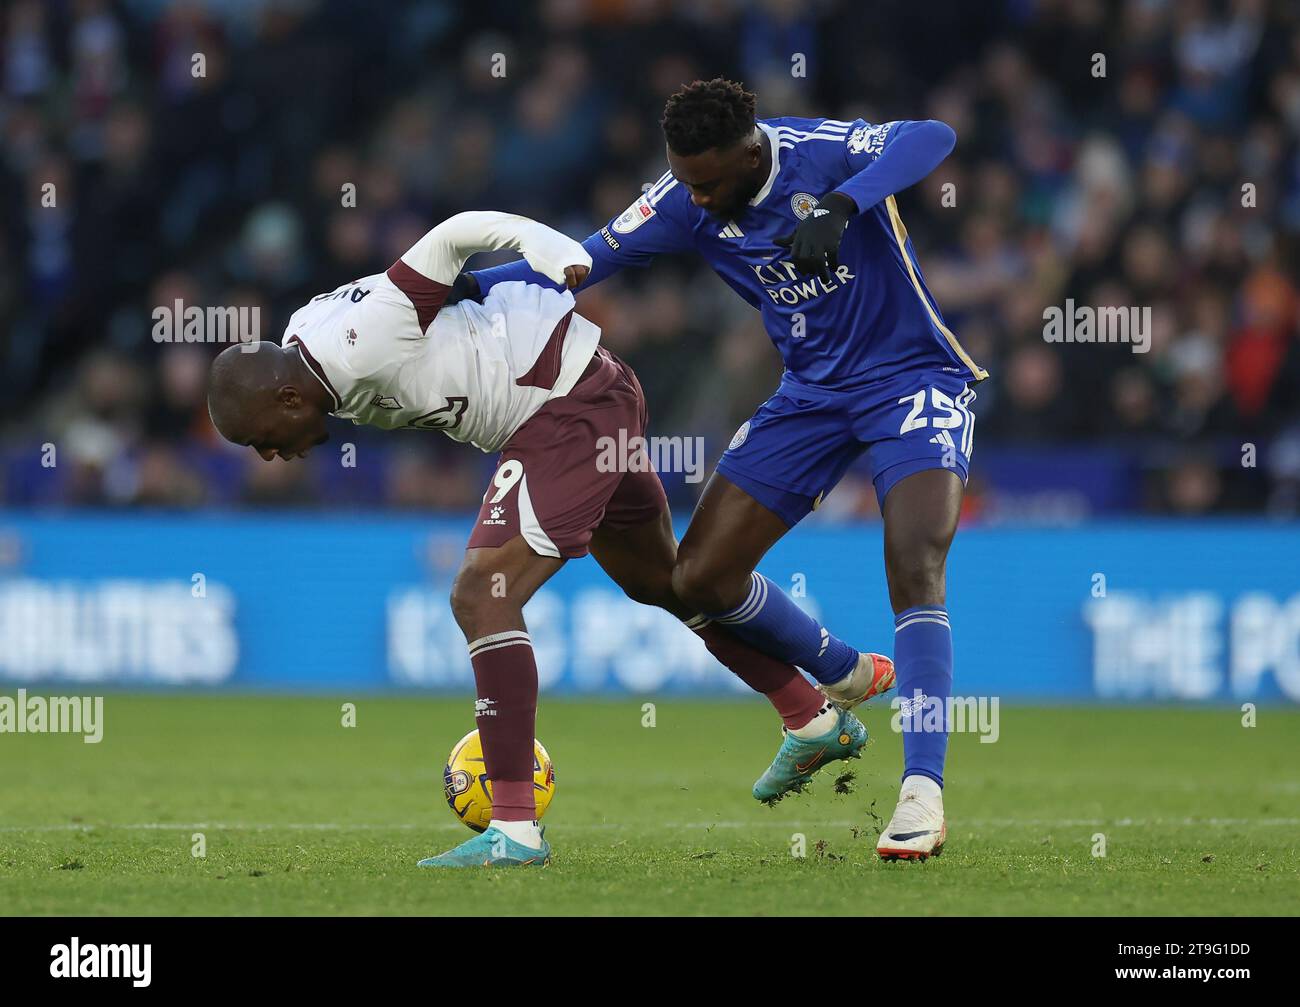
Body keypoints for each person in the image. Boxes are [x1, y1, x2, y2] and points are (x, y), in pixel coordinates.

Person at [207, 209, 890, 868]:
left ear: (287, 401)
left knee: (482, 593)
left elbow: (455, 236)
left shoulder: (356, 336)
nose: (269, 455)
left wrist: (545, 248)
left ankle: (513, 828)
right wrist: (508, 287)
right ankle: (814, 708)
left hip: (565, 409)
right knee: (670, 582)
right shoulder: (309, 345)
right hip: (589, 392)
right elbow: (462, 290)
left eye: (260, 440)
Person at [460, 79, 982, 861]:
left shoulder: (817, 153)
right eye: (683, 177)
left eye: (708, 181)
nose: (696, 198)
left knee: (914, 558)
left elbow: (931, 135)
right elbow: (581, 262)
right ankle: (838, 673)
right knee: (698, 578)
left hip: (911, 378)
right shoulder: (681, 198)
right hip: (809, 396)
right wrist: (457, 290)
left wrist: (844, 205)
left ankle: (921, 792)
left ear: (750, 151)